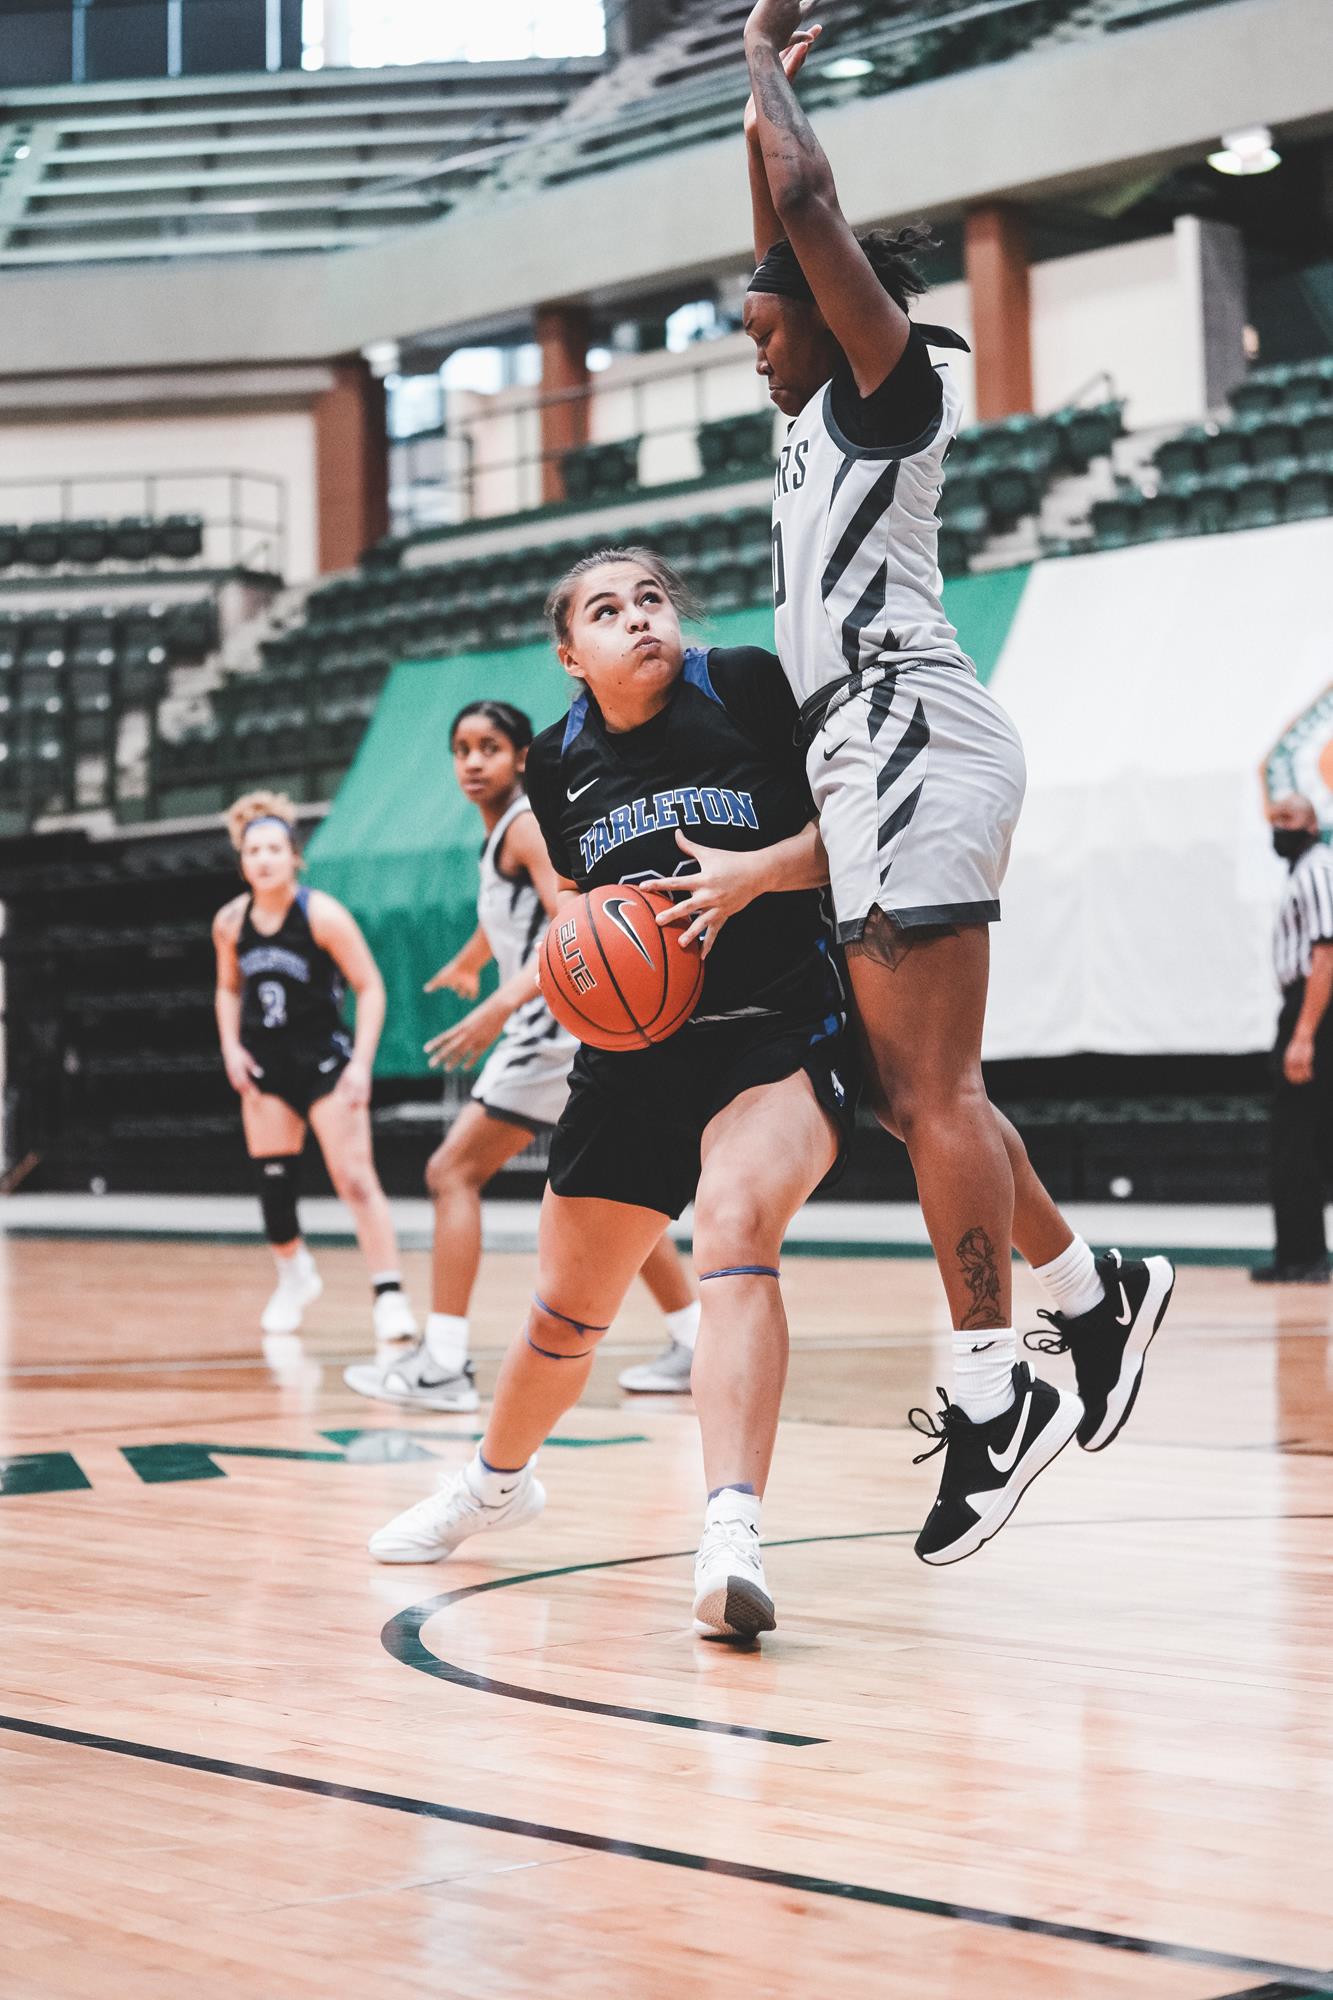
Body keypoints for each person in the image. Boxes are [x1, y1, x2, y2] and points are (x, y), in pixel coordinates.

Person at [740, 0, 1175, 1564]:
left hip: (909, 727)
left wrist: (757, 72)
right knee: (912, 1096)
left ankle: (999, 1391)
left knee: (933, 1096)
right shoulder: (802, 412)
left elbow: (799, 211)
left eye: (763, 310)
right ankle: (1087, 1292)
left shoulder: (884, 392)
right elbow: (775, 217)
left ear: (827, 309)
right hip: (863, 752)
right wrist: (769, 71)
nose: (745, 322)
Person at [368, 547, 853, 1638]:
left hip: (776, 1028)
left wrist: (757, 873)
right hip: (638, 1053)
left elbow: (864, 832)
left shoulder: (744, 686)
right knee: (565, 1312)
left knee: (732, 1224)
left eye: (650, 598)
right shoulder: (561, 762)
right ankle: (495, 1483)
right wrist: (571, 986)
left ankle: (731, 1526)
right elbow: (587, 920)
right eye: (606, 608)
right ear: (569, 654)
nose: (639, 617)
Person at [343, 699, 699, 1413]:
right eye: (462, 749)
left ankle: (443, 1362)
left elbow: (576, 923)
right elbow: (510, 917)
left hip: (548, 1030)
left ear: (520, 758)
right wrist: (472, 960)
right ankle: (696, 1342)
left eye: (489, 748)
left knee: (451, 1172)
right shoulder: (500, 834)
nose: (474, 762)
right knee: (610, 1191)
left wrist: (498, 1004)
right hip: (574, 1032)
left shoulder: (528, 829)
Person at [212, 792, 418, 1361]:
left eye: (275, 848)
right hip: (265, 1066)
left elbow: (370, 986)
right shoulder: (230, 923)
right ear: (242, 860)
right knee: (274, 1186)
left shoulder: (321, 914)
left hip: (325, 1062)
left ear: (293, 857)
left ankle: (389, 1294)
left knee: (354, 1178)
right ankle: (294, 1274)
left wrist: (362, 1064)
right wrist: (230, 1047)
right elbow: (229, 987)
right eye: (254, 850)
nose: (264, 859)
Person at [1251, 792, 1333, 1284]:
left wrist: (1304, 1034)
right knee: (1304, 1133)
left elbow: (1326, 952)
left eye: (1288, 818)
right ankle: (1300, 1252)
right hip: (1305, 1006)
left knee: (1295, 1136)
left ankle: (1302, 1256)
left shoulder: (1318, 868)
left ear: (1311, 822)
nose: (1278, 827)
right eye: (1273, 818)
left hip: (1314, 1008)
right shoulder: (1302, 871)